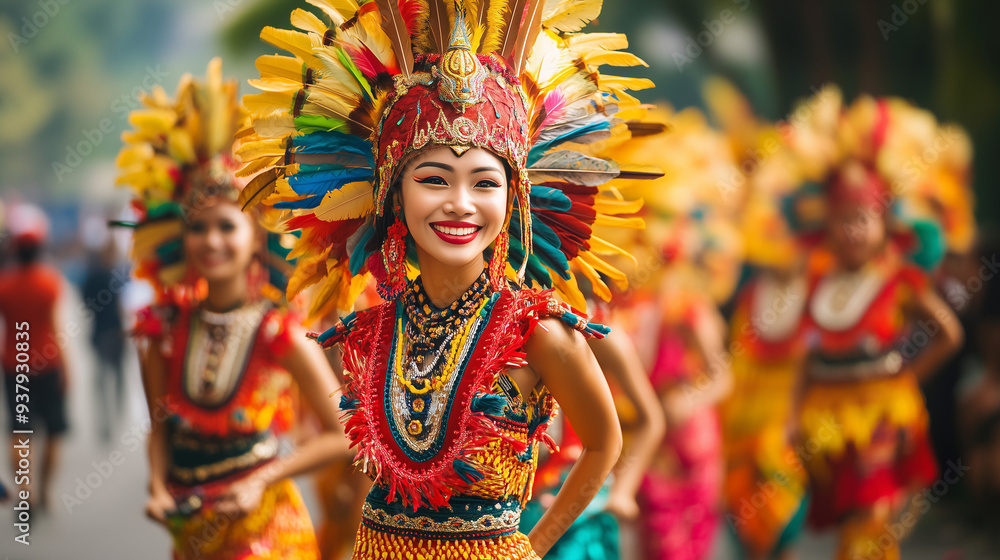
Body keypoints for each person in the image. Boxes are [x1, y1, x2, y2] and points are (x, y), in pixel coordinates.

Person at [239, 0, 659, 557]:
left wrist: (534, 546)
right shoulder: (370, 333)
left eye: (484, 183)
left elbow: (604, 444)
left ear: (514, 200)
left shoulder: (541, 335)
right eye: (435, 179)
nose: (460, 205)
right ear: (393, 192)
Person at [117, 59, 347, 559]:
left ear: (254, 239)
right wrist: (157, 488)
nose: (211, 240)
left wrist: (261, 480)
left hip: (266, 526)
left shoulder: (277, 331)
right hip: (190, 527)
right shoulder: (164, 329)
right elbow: (160, 430)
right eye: (198, 227)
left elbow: (342, 436)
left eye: (227, 226)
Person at [784, 90, 966, 560]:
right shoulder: (818, 279)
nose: (852, 229)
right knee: (846, 523)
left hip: (882, 419)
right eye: (843, 218)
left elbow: (949, 334)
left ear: (884, 222)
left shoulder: (899, 278)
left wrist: (905, 378)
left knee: (871, 525)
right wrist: (791, 415)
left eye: (862, 218)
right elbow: (807, 353)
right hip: (825, 425)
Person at [0, 202, 70, 512]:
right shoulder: (50, 282)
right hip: (48, 364)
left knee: (20, 430)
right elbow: (56, 329)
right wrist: (68, 368)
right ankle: (43, 492)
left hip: (15, 367)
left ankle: (23, 487)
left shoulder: (5, 285)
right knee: (53, 432)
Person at [82, 238, 127, 442]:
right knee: (117, 378)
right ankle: (117, 418)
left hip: (99, 333)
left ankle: (107, 421)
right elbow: (121, 305)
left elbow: (86, 305)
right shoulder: (113, 276)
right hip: (114, 332)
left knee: (102, 381)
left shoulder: (91, 277)